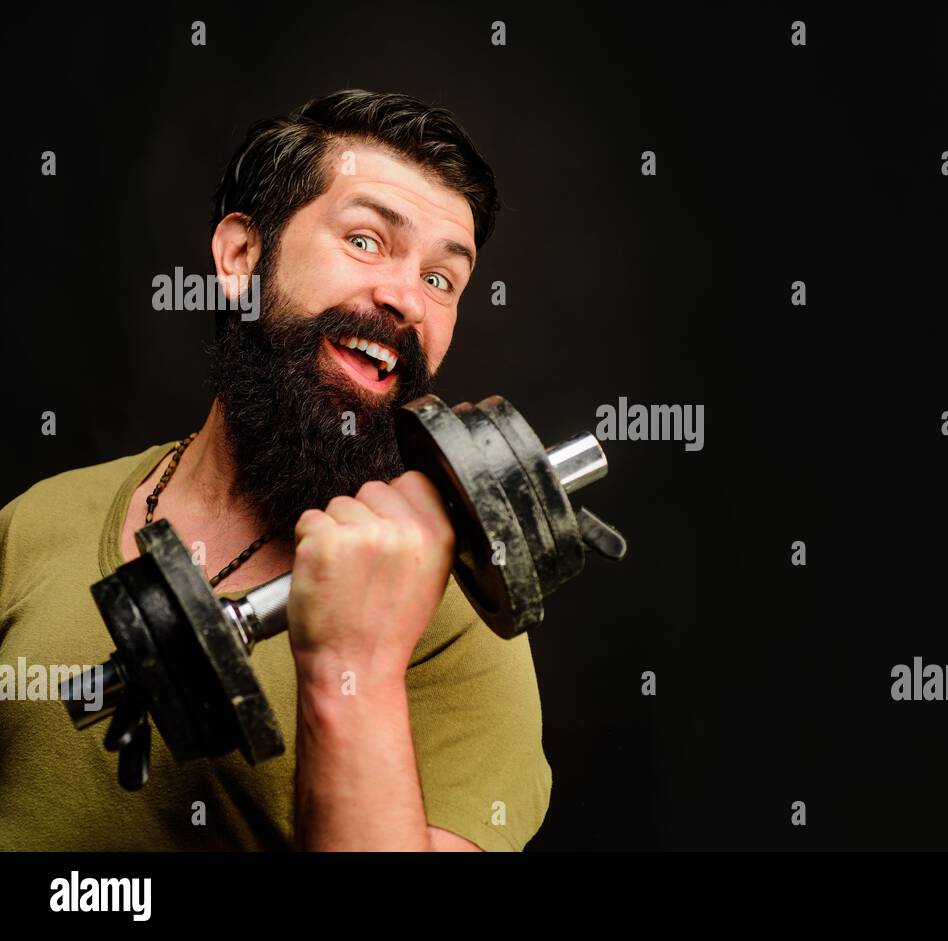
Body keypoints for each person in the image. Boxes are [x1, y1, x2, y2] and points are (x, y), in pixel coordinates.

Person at [0, 90, 552, 851]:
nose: (405, 299)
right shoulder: (36, 520)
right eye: (365, 240)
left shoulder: (452, 613)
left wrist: (353, 661)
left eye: (440, 280)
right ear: (241, 258)